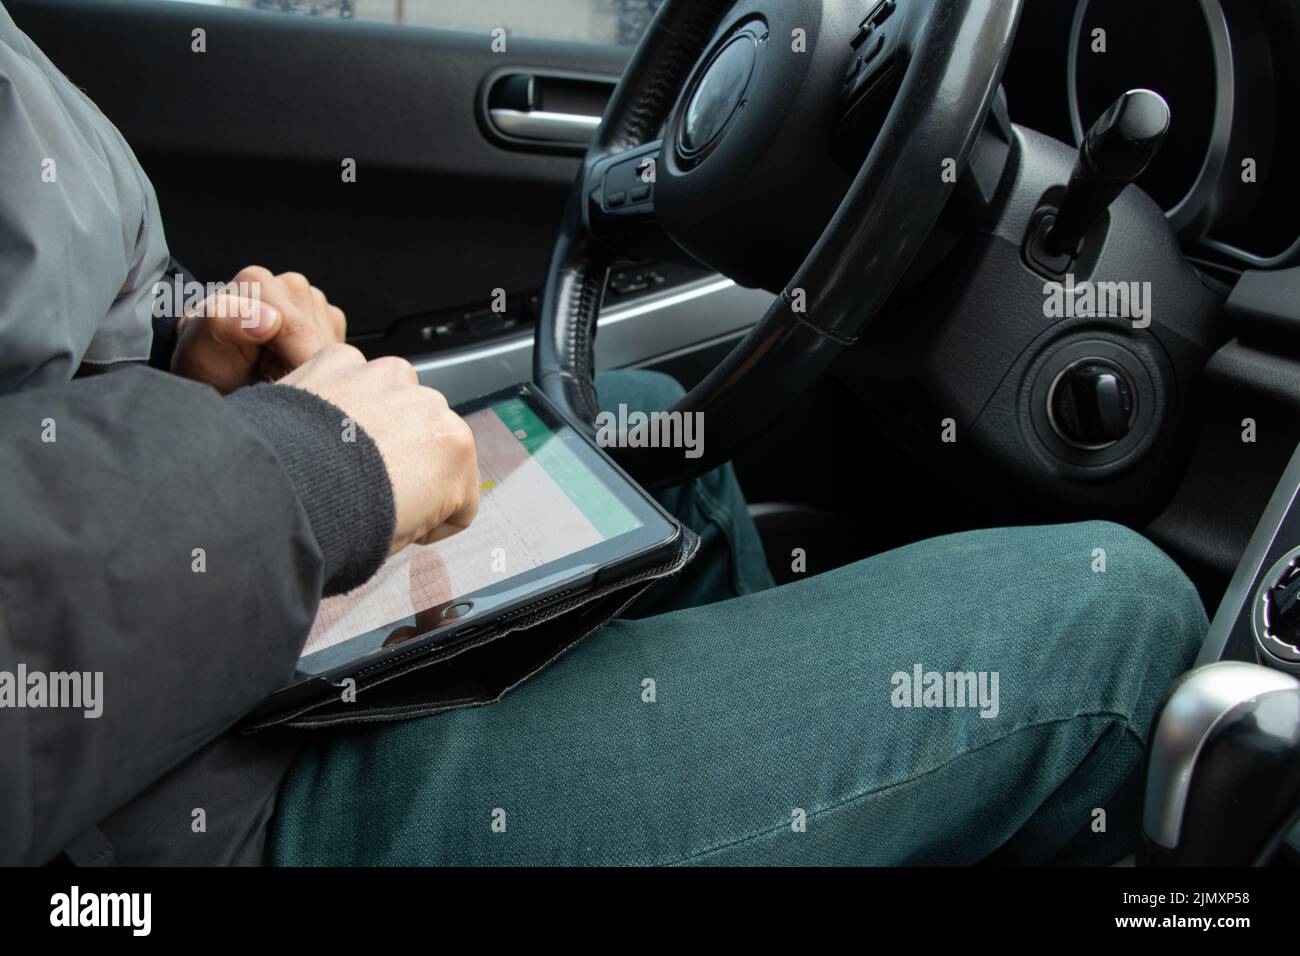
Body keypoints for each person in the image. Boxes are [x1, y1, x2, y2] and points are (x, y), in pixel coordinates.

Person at [0, 4, 1207, 866]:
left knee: (641, 432)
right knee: (1113, 622)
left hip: (200, 675)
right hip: (200, 805)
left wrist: (186, 364)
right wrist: (311, 465)